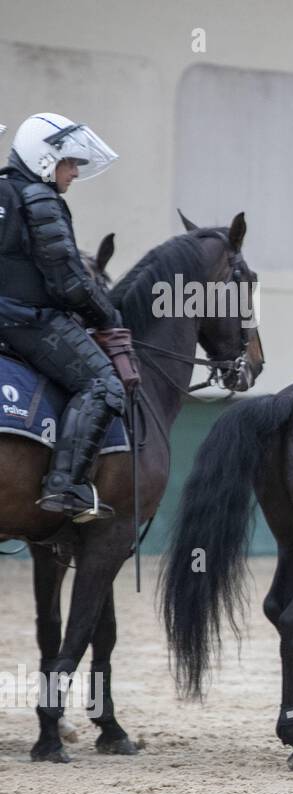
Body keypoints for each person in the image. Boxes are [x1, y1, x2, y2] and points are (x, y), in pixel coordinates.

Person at [0, 112, 125, 521]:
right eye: (69, 162)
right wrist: (109, 317)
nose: (73, 172)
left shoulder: (4, 192)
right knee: (103, 384)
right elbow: (68, 282)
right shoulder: (39, 199)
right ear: (43, 159)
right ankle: (65, 487)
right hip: (28, 322)